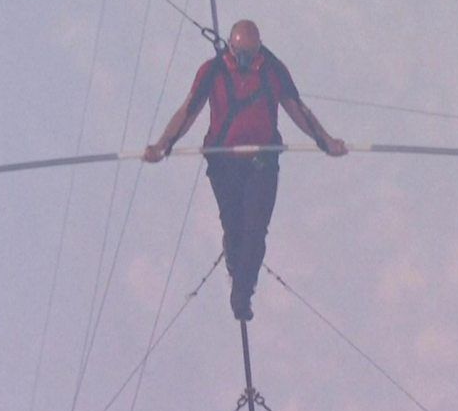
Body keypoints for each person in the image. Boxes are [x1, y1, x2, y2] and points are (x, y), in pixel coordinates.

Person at [144, 20, 347, 321]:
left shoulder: (273, 69)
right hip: (224, 161)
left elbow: (297, 110)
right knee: (235, 230)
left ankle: (242, 293)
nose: (248, 63)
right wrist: (162, 144)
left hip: (262, 160)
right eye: (242, 56)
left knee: (255, 229)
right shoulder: (212, 71)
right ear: (231, 48)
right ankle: (235, 264)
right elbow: (188, 112)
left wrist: (325, 140)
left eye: (253, 56)